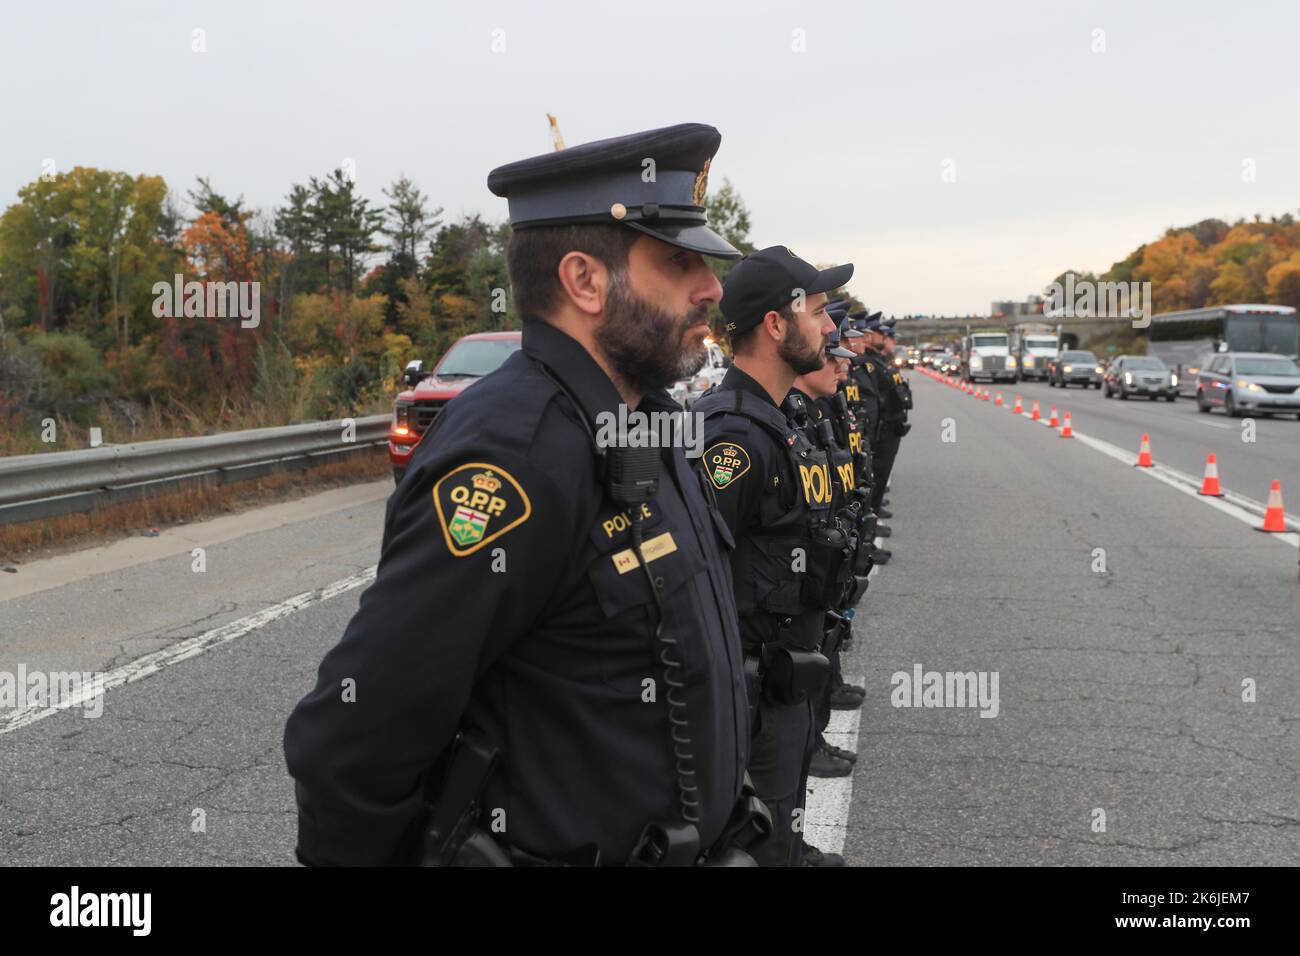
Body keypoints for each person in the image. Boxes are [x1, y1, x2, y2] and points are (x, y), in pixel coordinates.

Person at [283, 123, 768, 867]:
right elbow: (350, 741)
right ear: (584, 280)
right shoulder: (516, 458)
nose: (712, 288)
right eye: (679, 263)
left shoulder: (647, 426)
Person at [692, 245, 856, 866]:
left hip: (786, 675)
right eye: (817, 311)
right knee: (750, 835)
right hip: (750, 690)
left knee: (780, 812)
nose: (831, 328)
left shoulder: (780, 417)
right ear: (776, 324)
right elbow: (694, 577)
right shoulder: (733, 435)